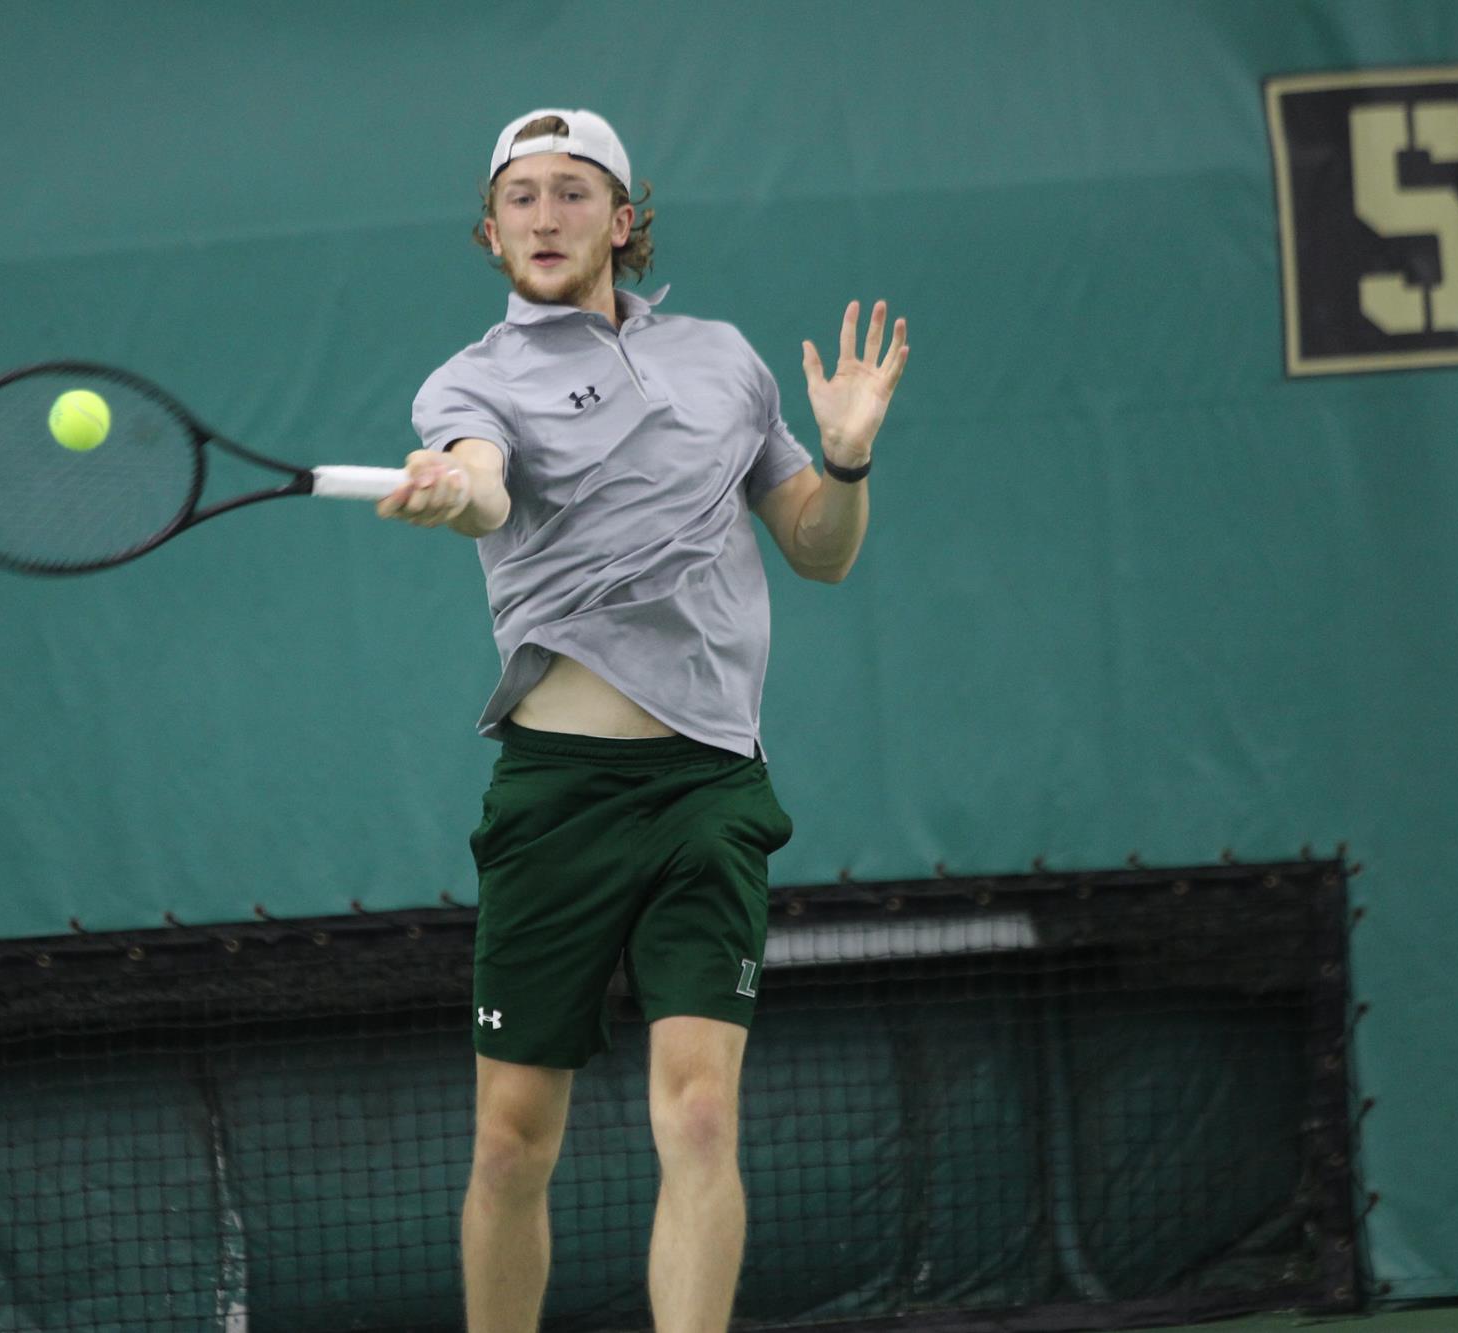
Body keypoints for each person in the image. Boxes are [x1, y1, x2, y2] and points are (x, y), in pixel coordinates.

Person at [378, 107, 909, 1333]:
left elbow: (818, 550)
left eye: (571, 192)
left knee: (703, 1114)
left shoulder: (724, 361)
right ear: (490, 231)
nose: (543, 216)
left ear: (621, 220)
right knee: (510, 1141)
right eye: (518, 197)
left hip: (707, 786)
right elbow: (483, 484)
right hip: (557, 791)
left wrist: (844, 463)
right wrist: (456, 486)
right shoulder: (470, 382)